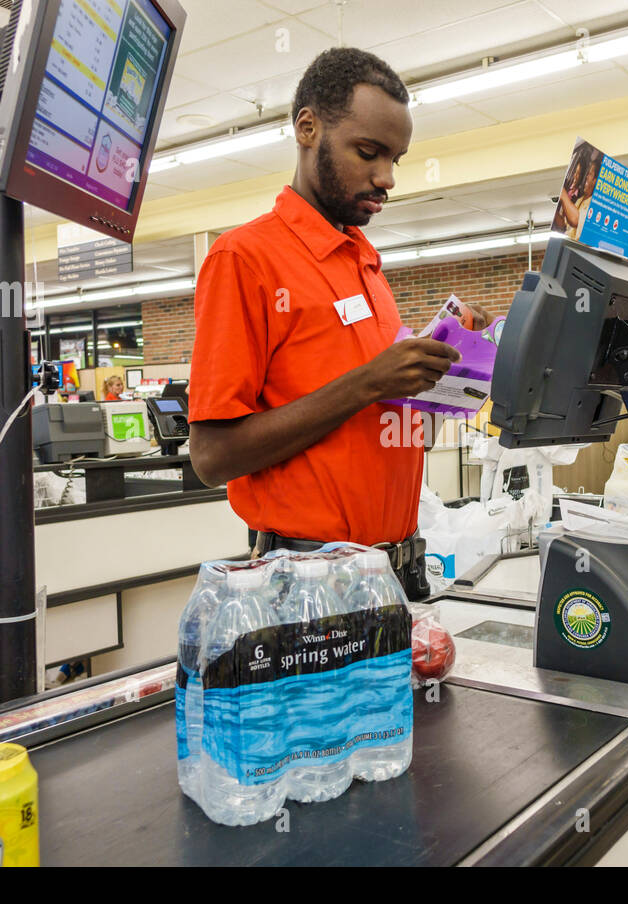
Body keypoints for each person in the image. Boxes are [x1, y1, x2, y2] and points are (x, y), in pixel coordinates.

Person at [187, 47, 464, 599]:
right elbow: (212, 456)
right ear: (308, 128)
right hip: (309, 580)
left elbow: (386, 432)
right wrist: (371, 381)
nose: (386, 178)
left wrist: (446, 377)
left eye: (396, 159)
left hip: (400, 568)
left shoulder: (363, 262)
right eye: (369, 152)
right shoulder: (245, 258)